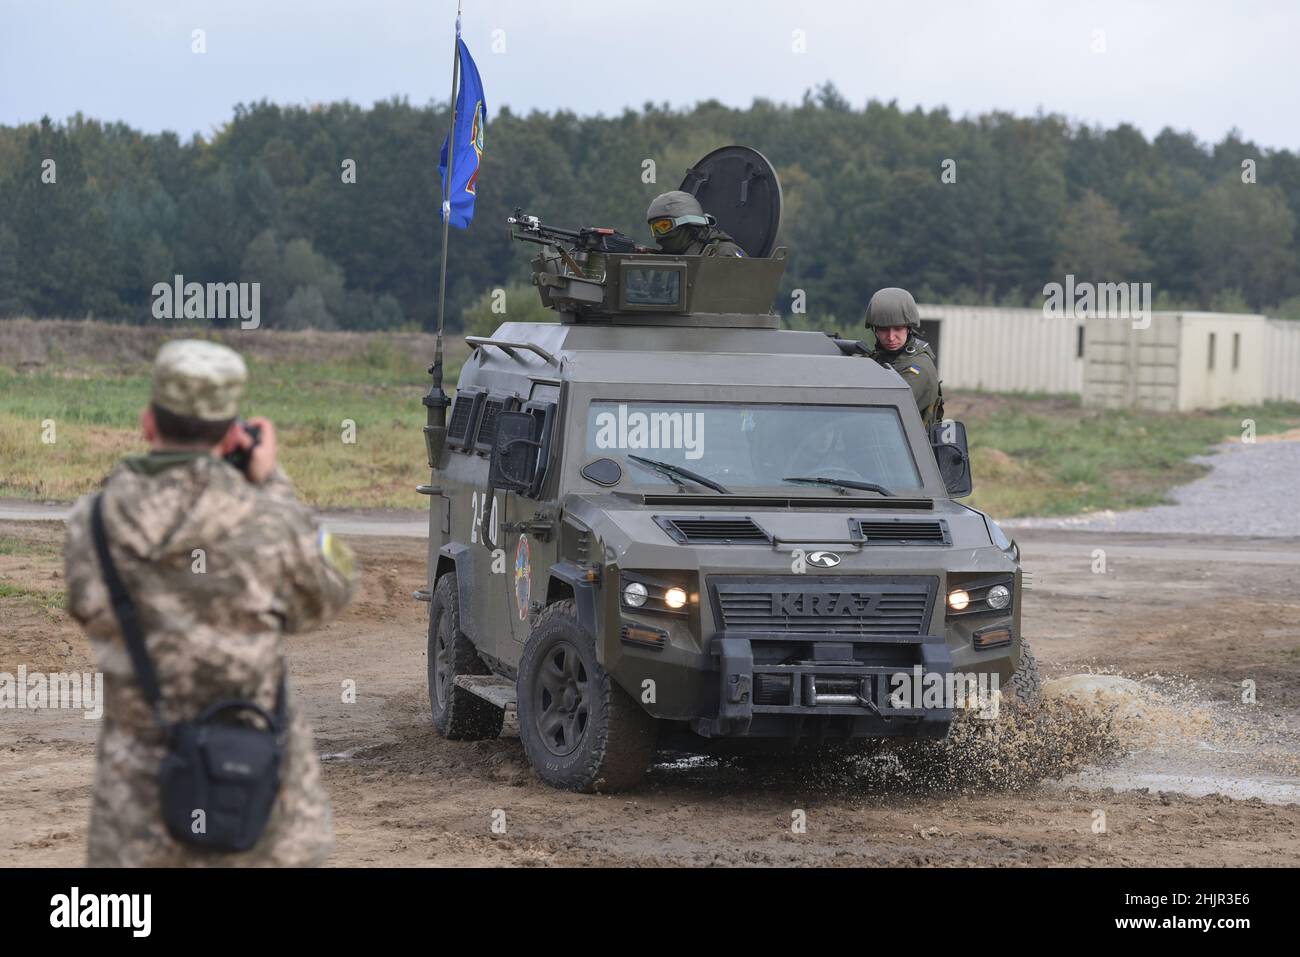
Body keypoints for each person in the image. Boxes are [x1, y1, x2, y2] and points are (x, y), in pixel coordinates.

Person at [64, 339, 357, 867]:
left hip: (138, 809)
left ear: (148, 424)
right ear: (231, 436)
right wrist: (273, 486)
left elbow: (86, 607)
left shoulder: (91, 525)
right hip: (261, 806)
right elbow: (333, 588)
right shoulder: (266, 521)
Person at [864, 287, 944, 429]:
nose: (890, 337)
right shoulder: (880, 358)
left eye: (898, 328)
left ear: (908, 328)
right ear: (875, 329)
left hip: (905, 447)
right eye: (883, 329)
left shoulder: (919, 367)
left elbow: (884, 411)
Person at [646, 190, 745, 257]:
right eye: (655, 229)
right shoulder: (676, 260)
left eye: (664, 226)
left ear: (689, 224)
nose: (658, 235)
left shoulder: (725, 253)